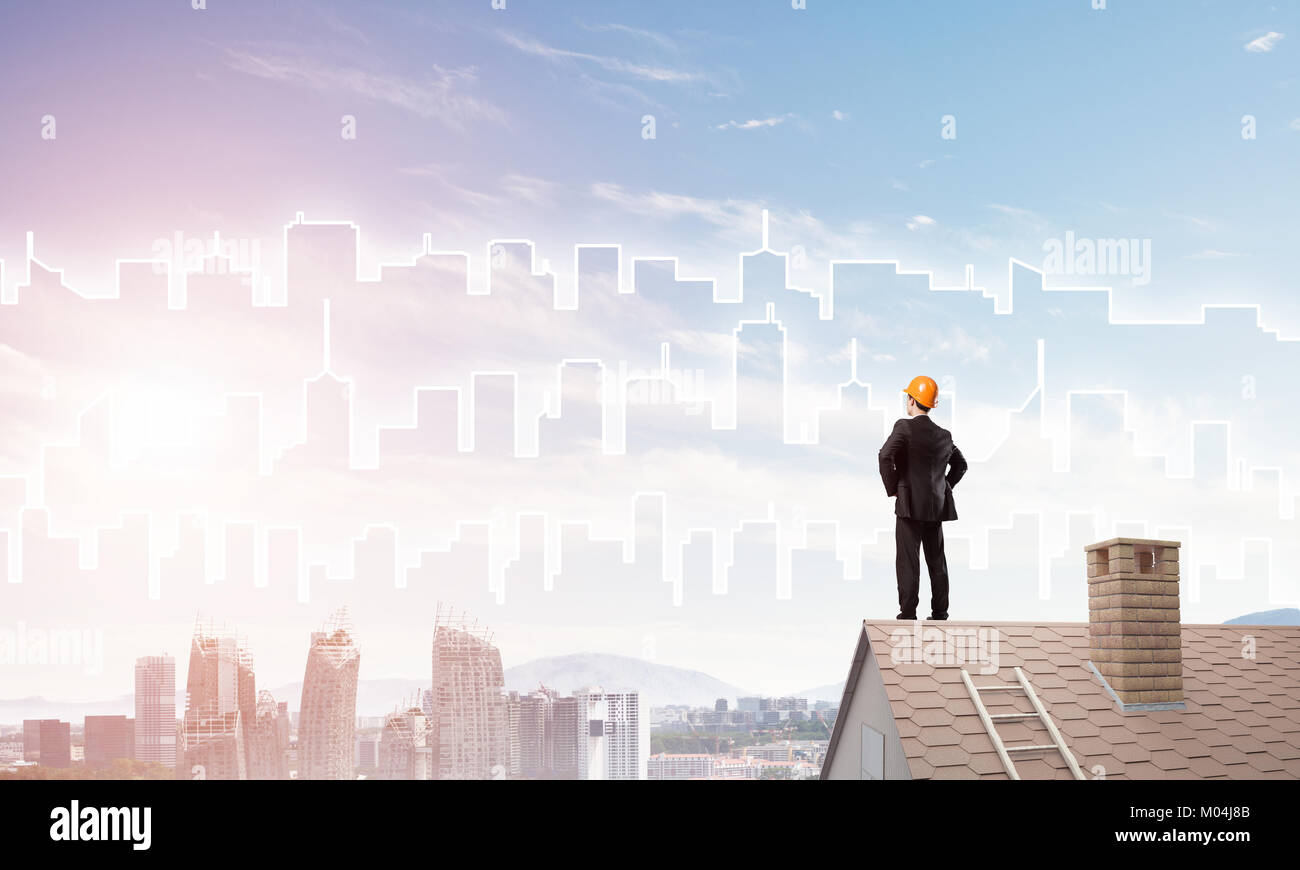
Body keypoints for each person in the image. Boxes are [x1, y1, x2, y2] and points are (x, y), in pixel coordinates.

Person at [878, 376, 968, 620]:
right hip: (935, 506)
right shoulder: (944, 435)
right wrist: (944, 485)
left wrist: (894, 487)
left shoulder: (904, 427)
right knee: (936, 560)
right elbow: (961, 465)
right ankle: (940, 612)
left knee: (908, 560)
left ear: (911, 400)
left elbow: (885, 456)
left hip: (908, 505)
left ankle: (908, 613)